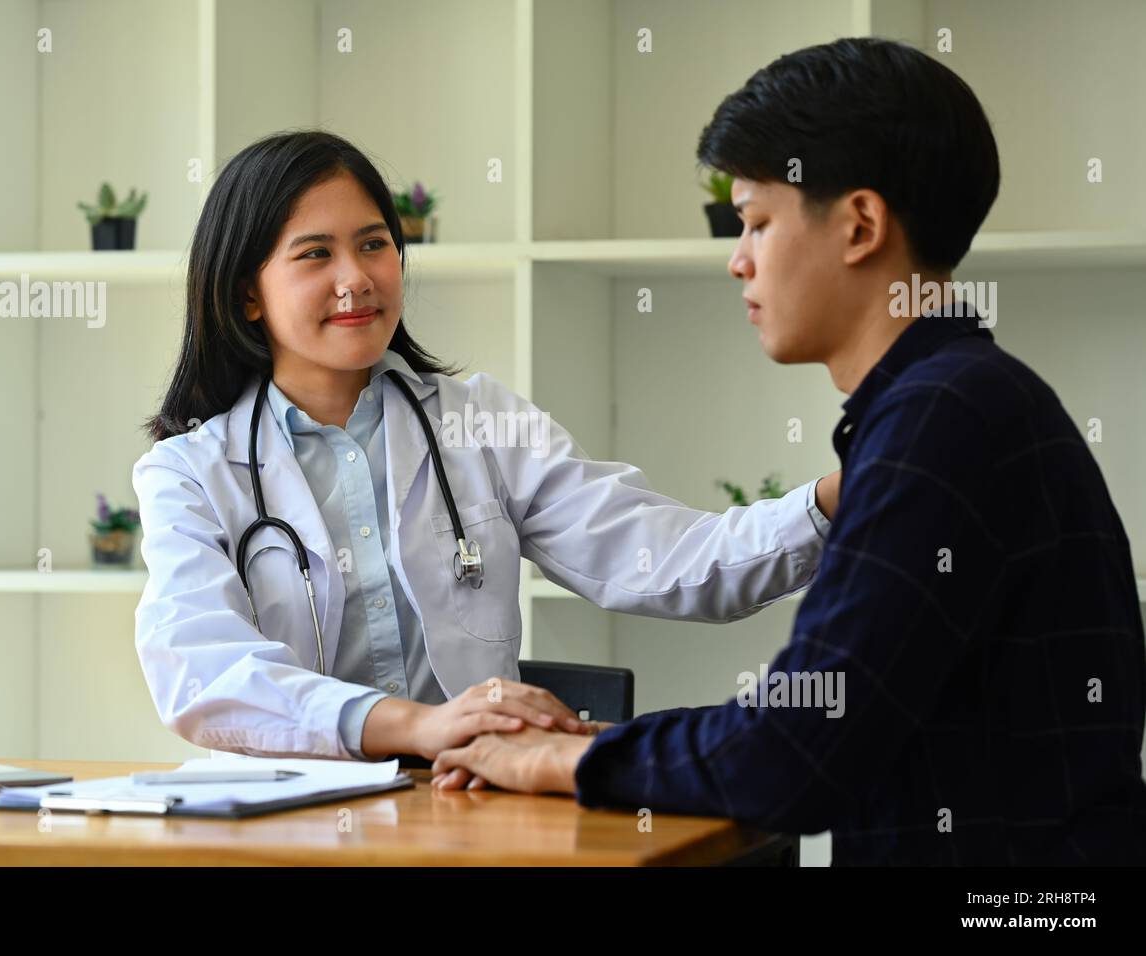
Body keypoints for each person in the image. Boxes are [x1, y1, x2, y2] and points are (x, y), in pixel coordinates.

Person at [430, 37, 1146, 865]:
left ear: (860, 226)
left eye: (758, 223)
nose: (737, 260)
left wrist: (570, 757)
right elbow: (813, 721)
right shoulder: (957, 401)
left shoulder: (943, 419)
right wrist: (597, 743)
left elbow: (795, 754)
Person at [132, 130, 840, 768]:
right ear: (246, 294)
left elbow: (669, 560)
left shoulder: (482, 422)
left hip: (464, 809)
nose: (357, 278)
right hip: (277, 830)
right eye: (316, 254)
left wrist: (831, 501)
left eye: (375, 244)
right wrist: (416, 726)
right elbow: (203, 670)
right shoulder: (189, 474)